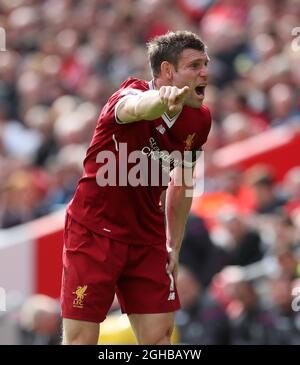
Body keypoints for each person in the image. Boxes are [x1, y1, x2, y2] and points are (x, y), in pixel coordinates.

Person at [61, 30, 211, 345]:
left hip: (147, 237)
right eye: (194, 65)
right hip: (93, 232)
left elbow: (182, 181)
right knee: (80, 340)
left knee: (160, 339)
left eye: (205, 64)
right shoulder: (125, 97)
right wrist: (162, 98)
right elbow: (141, 107)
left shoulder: (199, 121)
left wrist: (175, 244)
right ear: (168, 71)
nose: (205, 73)